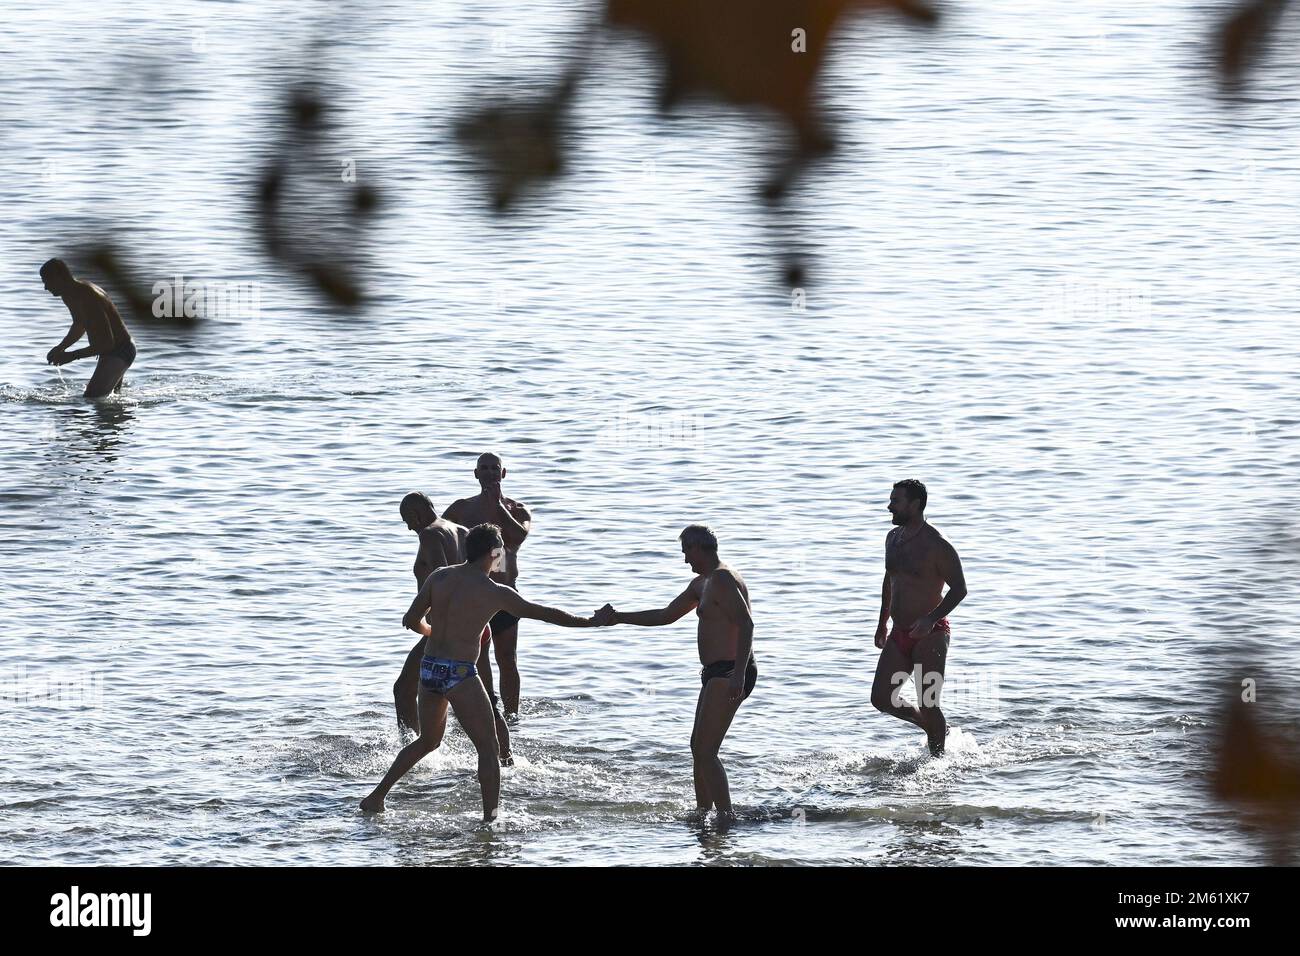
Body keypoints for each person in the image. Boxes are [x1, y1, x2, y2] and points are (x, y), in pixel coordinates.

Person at [360, 524, 609, 820]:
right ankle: (490, 820)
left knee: (428, 741)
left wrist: (432, 631)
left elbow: (410, 619)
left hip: (429, 669)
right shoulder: (494, 592)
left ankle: (376, 797)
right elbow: (545, 614)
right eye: (501, 549)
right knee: (489, 750)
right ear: (494, 553)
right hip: (460, 673)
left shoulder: (440, 576)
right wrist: (590, 622)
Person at [599, 525, 755, 822]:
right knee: (697, 746)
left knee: (706, 750)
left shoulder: (722, 578)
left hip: (731, 670)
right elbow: (665, 615)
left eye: (686, 552)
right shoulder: (701, 583)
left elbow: (746, 625)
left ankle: (726, 816)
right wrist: (618, 618)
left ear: (699, 547)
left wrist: (737, 675)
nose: (685, 560)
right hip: (713, 672)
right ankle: (702, 812)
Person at [395, 493, 511, 762]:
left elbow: (444, 578)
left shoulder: (430, 535)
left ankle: (414, 752)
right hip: (478, 625)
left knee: (403, 689)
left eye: (407, 520)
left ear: (417, 512)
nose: (408, 527)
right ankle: (506, 757)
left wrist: (431, 621)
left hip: (448, 631)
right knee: (486, 695)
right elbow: (498, 563)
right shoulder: (463, 530)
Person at [869, 479, 968, 756]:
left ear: (915, 505)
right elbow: (890, 581)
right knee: (881, 698)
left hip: (931, 634)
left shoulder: (936, 545)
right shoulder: (893, 539)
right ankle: (932, 727)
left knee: (929, 702)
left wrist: (930, 619)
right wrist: (882, 623)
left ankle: (937, 762)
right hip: (899, 632)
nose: (889, 506)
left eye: (896, 501)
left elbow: (959, 589)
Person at [444, 453, 532, 719]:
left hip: (504, 595)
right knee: (473, 657)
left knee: (507, 658)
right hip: (470, 595)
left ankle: (512, 717)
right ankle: (484, 710)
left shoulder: (518, 509)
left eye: (495, 468)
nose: (490, 472)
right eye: (485, 468)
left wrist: (498, 507)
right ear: (476, 473)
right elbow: (439, 533)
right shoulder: (462, 508)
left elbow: (517, 537)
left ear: (503, 473)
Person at [40, 258, 136, 398]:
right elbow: (79, 324)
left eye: (46, 281)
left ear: (59, 277)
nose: (45, 287)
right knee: (110, 406)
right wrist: (61, 347)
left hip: (120, 350)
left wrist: (71, 356)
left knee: (92, 398)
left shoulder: (87, 295)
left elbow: (106, 344)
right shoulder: (69, 295)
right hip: (109, 351)